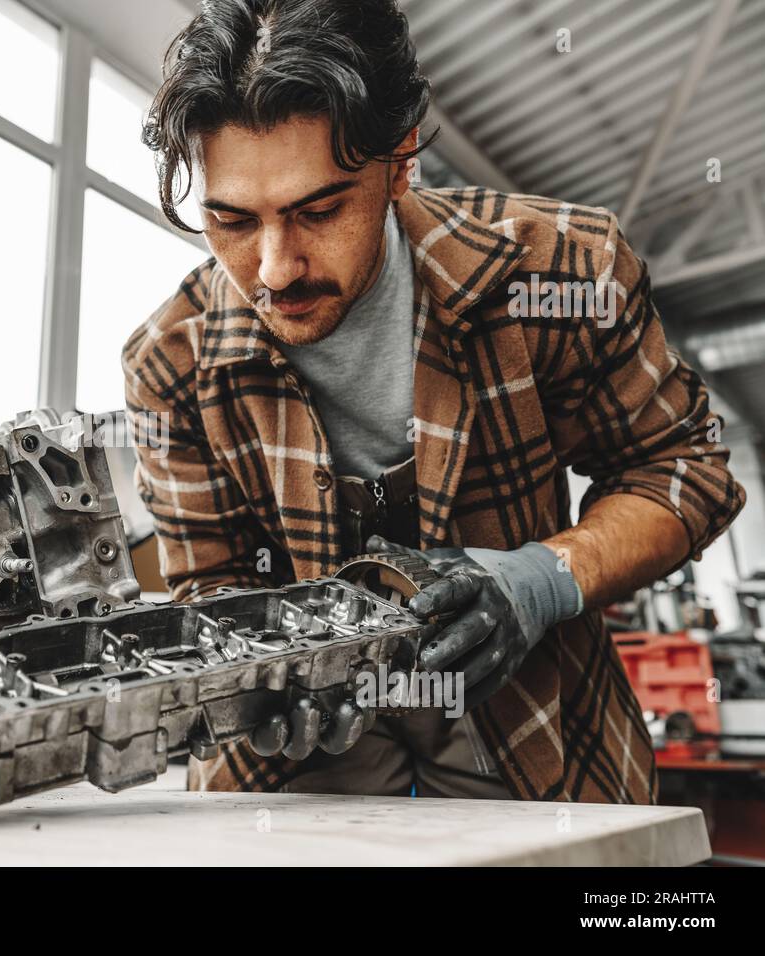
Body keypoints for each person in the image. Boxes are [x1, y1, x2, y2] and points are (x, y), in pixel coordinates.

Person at [122, 0, 745, 802]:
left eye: (319, 210)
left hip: (529, 721)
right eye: (231, 219)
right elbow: (208, 584)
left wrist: (542, 580)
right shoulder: (170, 366)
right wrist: (256, 676)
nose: (276, 269)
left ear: (401, 155)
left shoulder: (560, 276)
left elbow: (685, 467)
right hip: (300, 761)